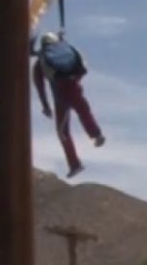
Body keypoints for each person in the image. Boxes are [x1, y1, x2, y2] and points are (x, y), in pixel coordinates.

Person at [32, 32, 104, 178]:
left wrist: (46, 106)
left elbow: (40, 87)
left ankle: (75, 164)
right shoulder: (66, 50)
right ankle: (97, 135)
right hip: (75, 88)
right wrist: (74, 80)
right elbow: (82, 70)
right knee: (84, 112)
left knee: (63, 132)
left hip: (61, 96)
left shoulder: (41, 63)